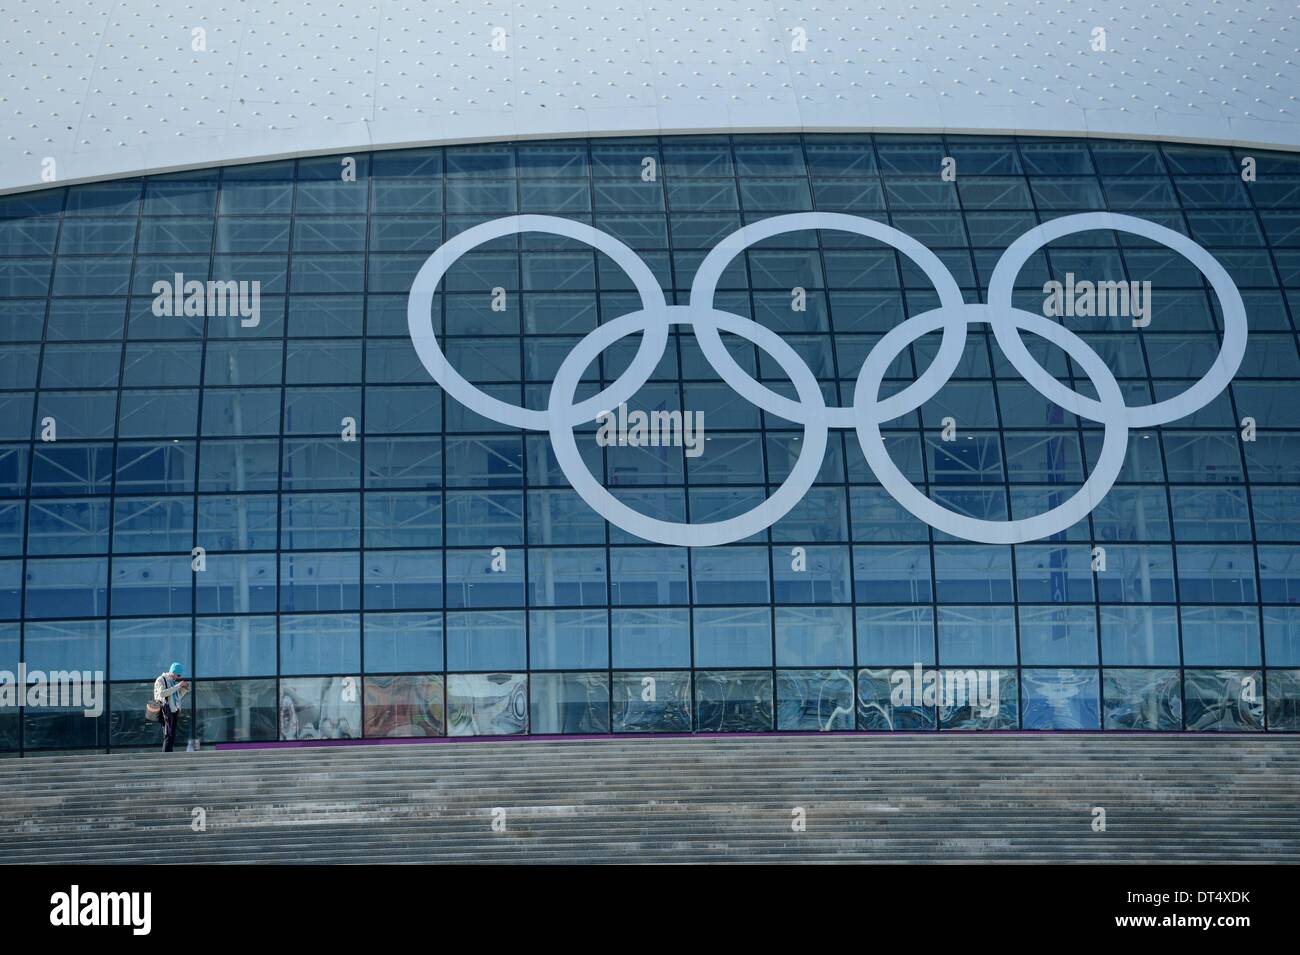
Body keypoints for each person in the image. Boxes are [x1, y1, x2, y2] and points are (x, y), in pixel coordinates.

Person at [153, 663, 190, 753]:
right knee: (168, 735)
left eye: (179, 676)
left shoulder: (172, 683)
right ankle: (166, 757)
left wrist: (184, 689)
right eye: (178, 675)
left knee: (171, 735)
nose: (178, 677)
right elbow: (162, 694)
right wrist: (178, 686)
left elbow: (176, 698)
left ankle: (169, 754)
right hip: (165, 710)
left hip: (173, 711)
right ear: (173, 672)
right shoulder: (161, 680)